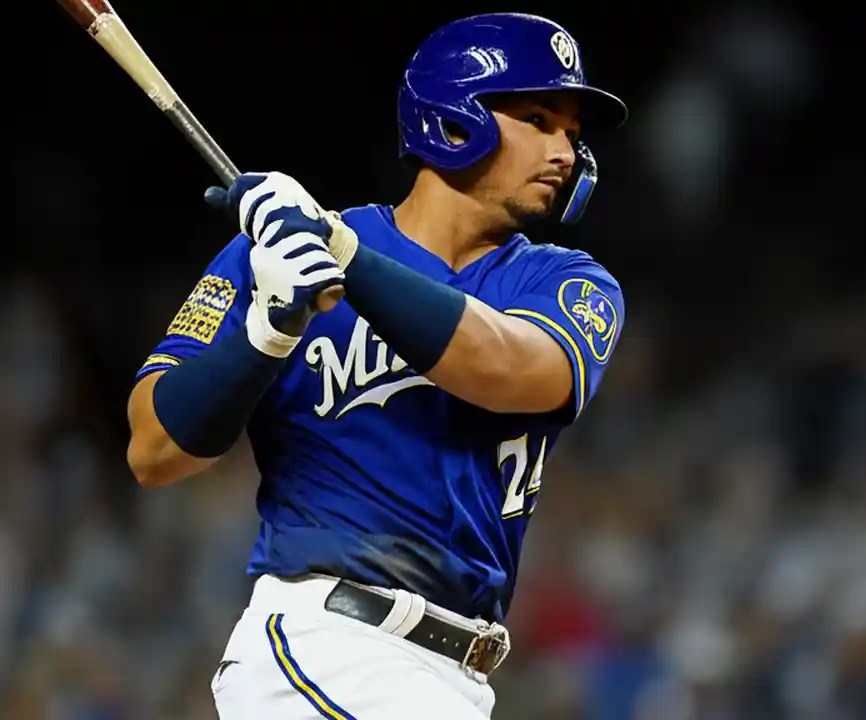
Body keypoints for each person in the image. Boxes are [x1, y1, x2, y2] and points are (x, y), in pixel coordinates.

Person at [124, 12, 627, 718]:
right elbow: (154, 448)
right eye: (539, 119)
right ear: (454, 120)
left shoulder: (564, 283)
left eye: (572, 133)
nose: (566, 152)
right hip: (329, 644)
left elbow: (513, 369)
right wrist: (264, 334)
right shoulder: (278, 255)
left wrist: (343, 252)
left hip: (456, 678)